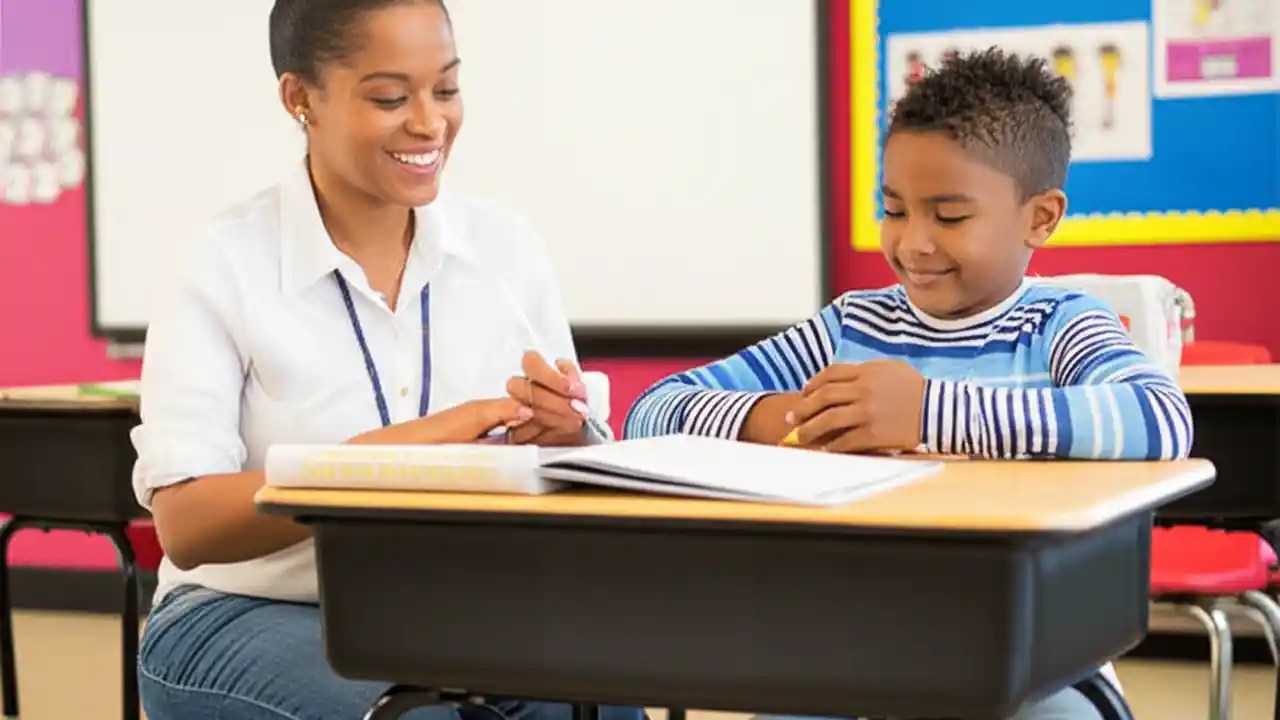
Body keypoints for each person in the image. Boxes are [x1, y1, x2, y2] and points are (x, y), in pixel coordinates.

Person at [623, 48, 1193, 719]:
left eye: (949, 216)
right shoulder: (851, 325)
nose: (913, 242)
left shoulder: (1057, 324)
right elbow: (652, 412)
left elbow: (1161, 419)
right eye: (895, 210)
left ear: (1039, 217)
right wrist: (804, 420)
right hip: (851, 655)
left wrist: (926, 414)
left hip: (1027, 663)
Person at [130, 2, 638, 719]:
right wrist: (402, 453)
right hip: (239, 610)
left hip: (458, 611)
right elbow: (185, 522)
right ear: (299, 98)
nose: (430, 123)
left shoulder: (506, 248)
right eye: (390, 98)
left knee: (602, 707)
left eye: (448, 89)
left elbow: (576, 473)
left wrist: (569, 440)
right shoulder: (223, 262)